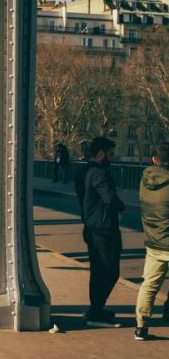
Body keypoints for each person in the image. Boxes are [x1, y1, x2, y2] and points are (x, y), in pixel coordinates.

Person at [74, 136, 126, 328]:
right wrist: (122, 206)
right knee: (110, 271)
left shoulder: (84, 171)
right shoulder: (99, 174)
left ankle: (96, 308)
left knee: (98, 271)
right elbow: (110, 199)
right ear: (101, 153)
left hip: (91, 226)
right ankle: (96, 312)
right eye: (111, 154)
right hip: (104, 230)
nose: (113, 158)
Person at [134, 141, 169, 340]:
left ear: (154, 160)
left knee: (149, 286)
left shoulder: (145, 179)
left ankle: (141, 326)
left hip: (154, 242)